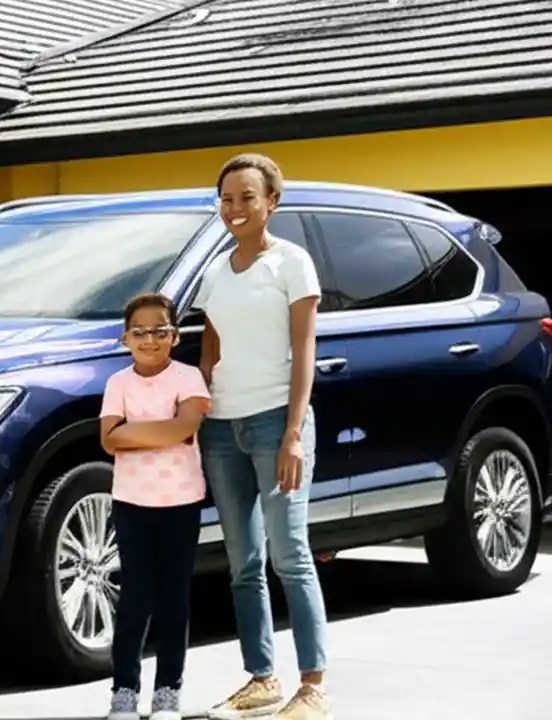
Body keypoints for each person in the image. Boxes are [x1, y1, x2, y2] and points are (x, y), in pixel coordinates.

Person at [194, 153, 332, 720]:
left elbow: (305, 350)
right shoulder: (216, 271)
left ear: (272, 201)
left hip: (278, 421)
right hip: (222, 427)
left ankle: (313, 686)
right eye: (227, 199)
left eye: (247, 197)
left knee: (290, 556)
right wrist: (195, 409)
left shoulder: (292, 264)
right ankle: (261, 679)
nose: (235, 209)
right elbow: (211, 347)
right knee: (242, 561)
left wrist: (294, 433)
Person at [99, 292, 211, 720]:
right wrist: (163, 431)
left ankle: (168, 692)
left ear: (175, 336)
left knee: (173, 598)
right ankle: (123, 690)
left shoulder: (188, 378)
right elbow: (109, 439)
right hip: (131, 502)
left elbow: (186, 426)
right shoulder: (117, 384)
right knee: (134, 598)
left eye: (159, 331)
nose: (150, 340)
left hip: (181, 501)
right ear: (126, 339)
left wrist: (136, 432)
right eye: (140, 332)